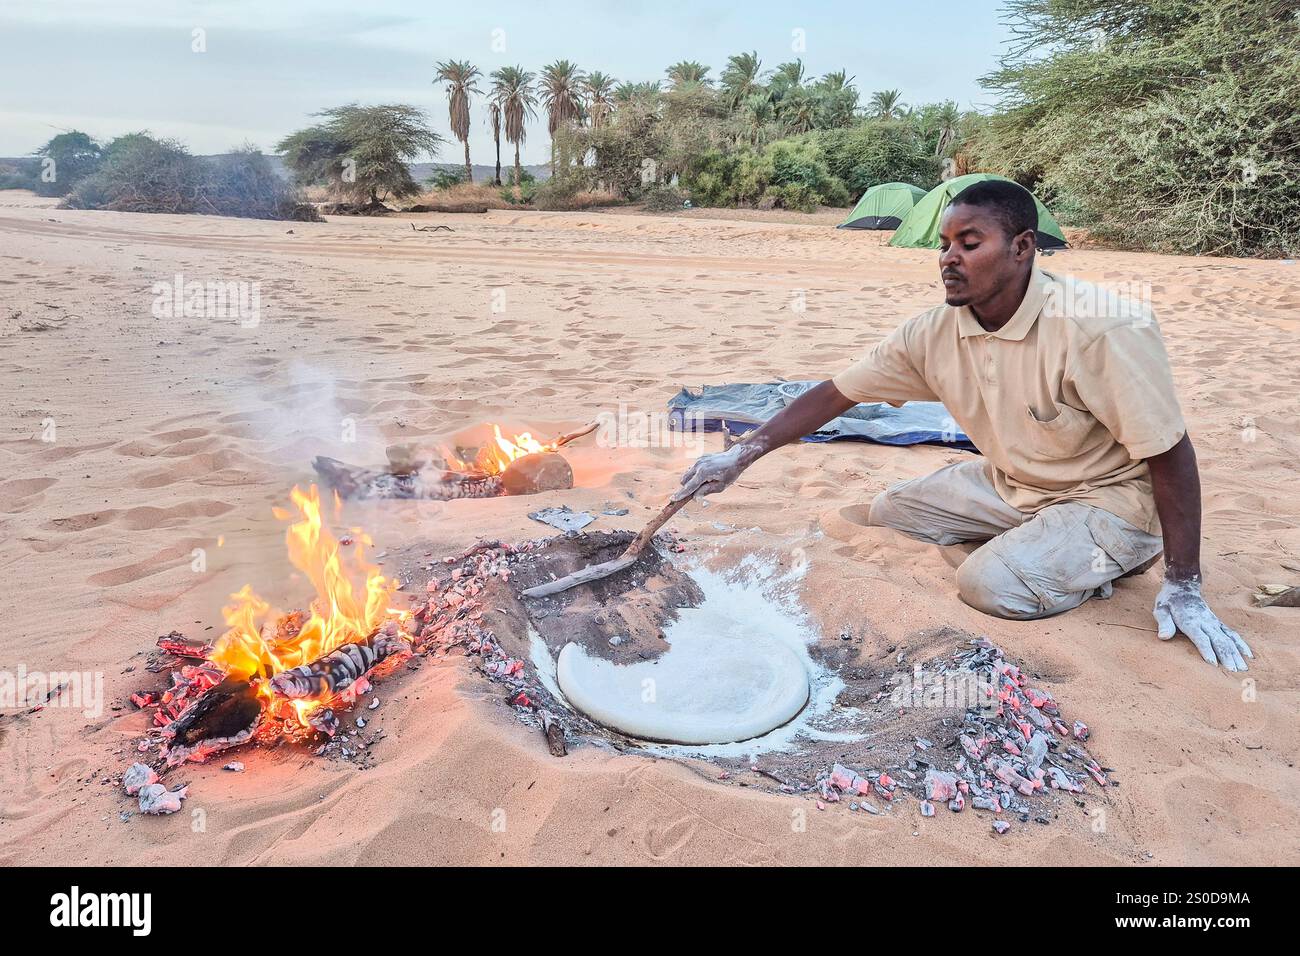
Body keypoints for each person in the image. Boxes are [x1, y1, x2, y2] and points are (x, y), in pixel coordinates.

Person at [674, 179, 1252, 671]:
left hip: (1112, 497)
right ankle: (1067, 555)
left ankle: (1121, 557)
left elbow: (1170, 452)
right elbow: (837, 393)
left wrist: (1185, 583)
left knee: (988, 586)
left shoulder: (1101, 329)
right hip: (1014, 485)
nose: (948, 258)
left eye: (968, 243)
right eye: (945, 244)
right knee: (887, 516)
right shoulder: (933, 332)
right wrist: (740, 455)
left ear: (1023, 247)